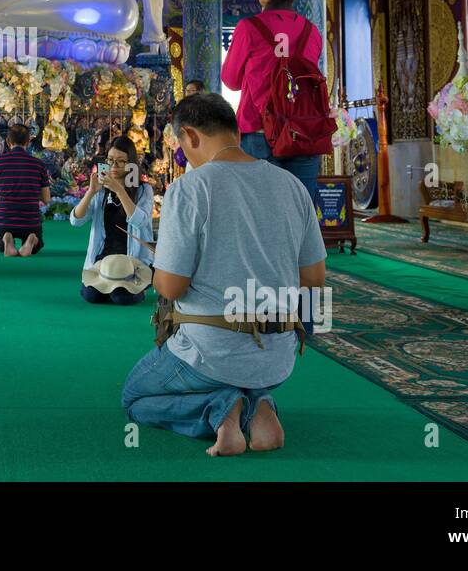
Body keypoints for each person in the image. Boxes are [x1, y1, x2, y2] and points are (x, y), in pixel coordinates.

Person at [121, 93, 326, 457]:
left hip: (209, 353)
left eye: (183, 146)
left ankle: (222, 410)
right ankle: (259, 404)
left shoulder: (190, 188)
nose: (187, 156)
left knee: (135, 397)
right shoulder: (292, 187)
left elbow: (171, 285)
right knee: (241, 368)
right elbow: (314, 280)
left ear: (190, 136)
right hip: (280, 358)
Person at [219, 0, 324, 195]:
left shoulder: (248, 27)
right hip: (303, 131)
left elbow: (231, 81)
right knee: (301, 209)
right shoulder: (312, 31)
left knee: (260, 212)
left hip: (259, 132)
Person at [70, 135, 155, 304]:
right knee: (92, 296)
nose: (114, 166)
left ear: (131, 163)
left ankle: (138, 286)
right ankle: (107, 283)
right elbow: (76, 221)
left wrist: (120, 190)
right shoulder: (100, 191)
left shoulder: (144, 190)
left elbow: (140, 221)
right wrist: (91, 192)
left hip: (132, 262)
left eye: (120, 161)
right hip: (104, 261)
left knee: (121, 298)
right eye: (110, 160)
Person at [0, 124, 50, 257]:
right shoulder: (39, 164)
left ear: (8, 142)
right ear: (28, 142)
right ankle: (32, 239)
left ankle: (6, 239)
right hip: (30, 221)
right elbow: (46, 198)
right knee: (38, 245)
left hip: (5, 219)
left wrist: (4, 190)